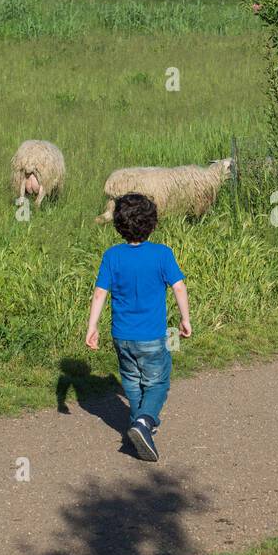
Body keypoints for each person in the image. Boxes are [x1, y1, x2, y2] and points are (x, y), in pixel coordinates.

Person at [85, 193, 192, 462]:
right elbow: (179, 286)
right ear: (153, 223)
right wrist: (185, 318)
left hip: (121, 336)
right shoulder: (162, 254)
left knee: (132, 382)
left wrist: (92, 327)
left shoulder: (112, 256)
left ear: (118, 225)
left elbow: (100, 293)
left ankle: (138, 429)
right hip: (152, 337)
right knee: (158, 382)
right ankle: (144, 422)